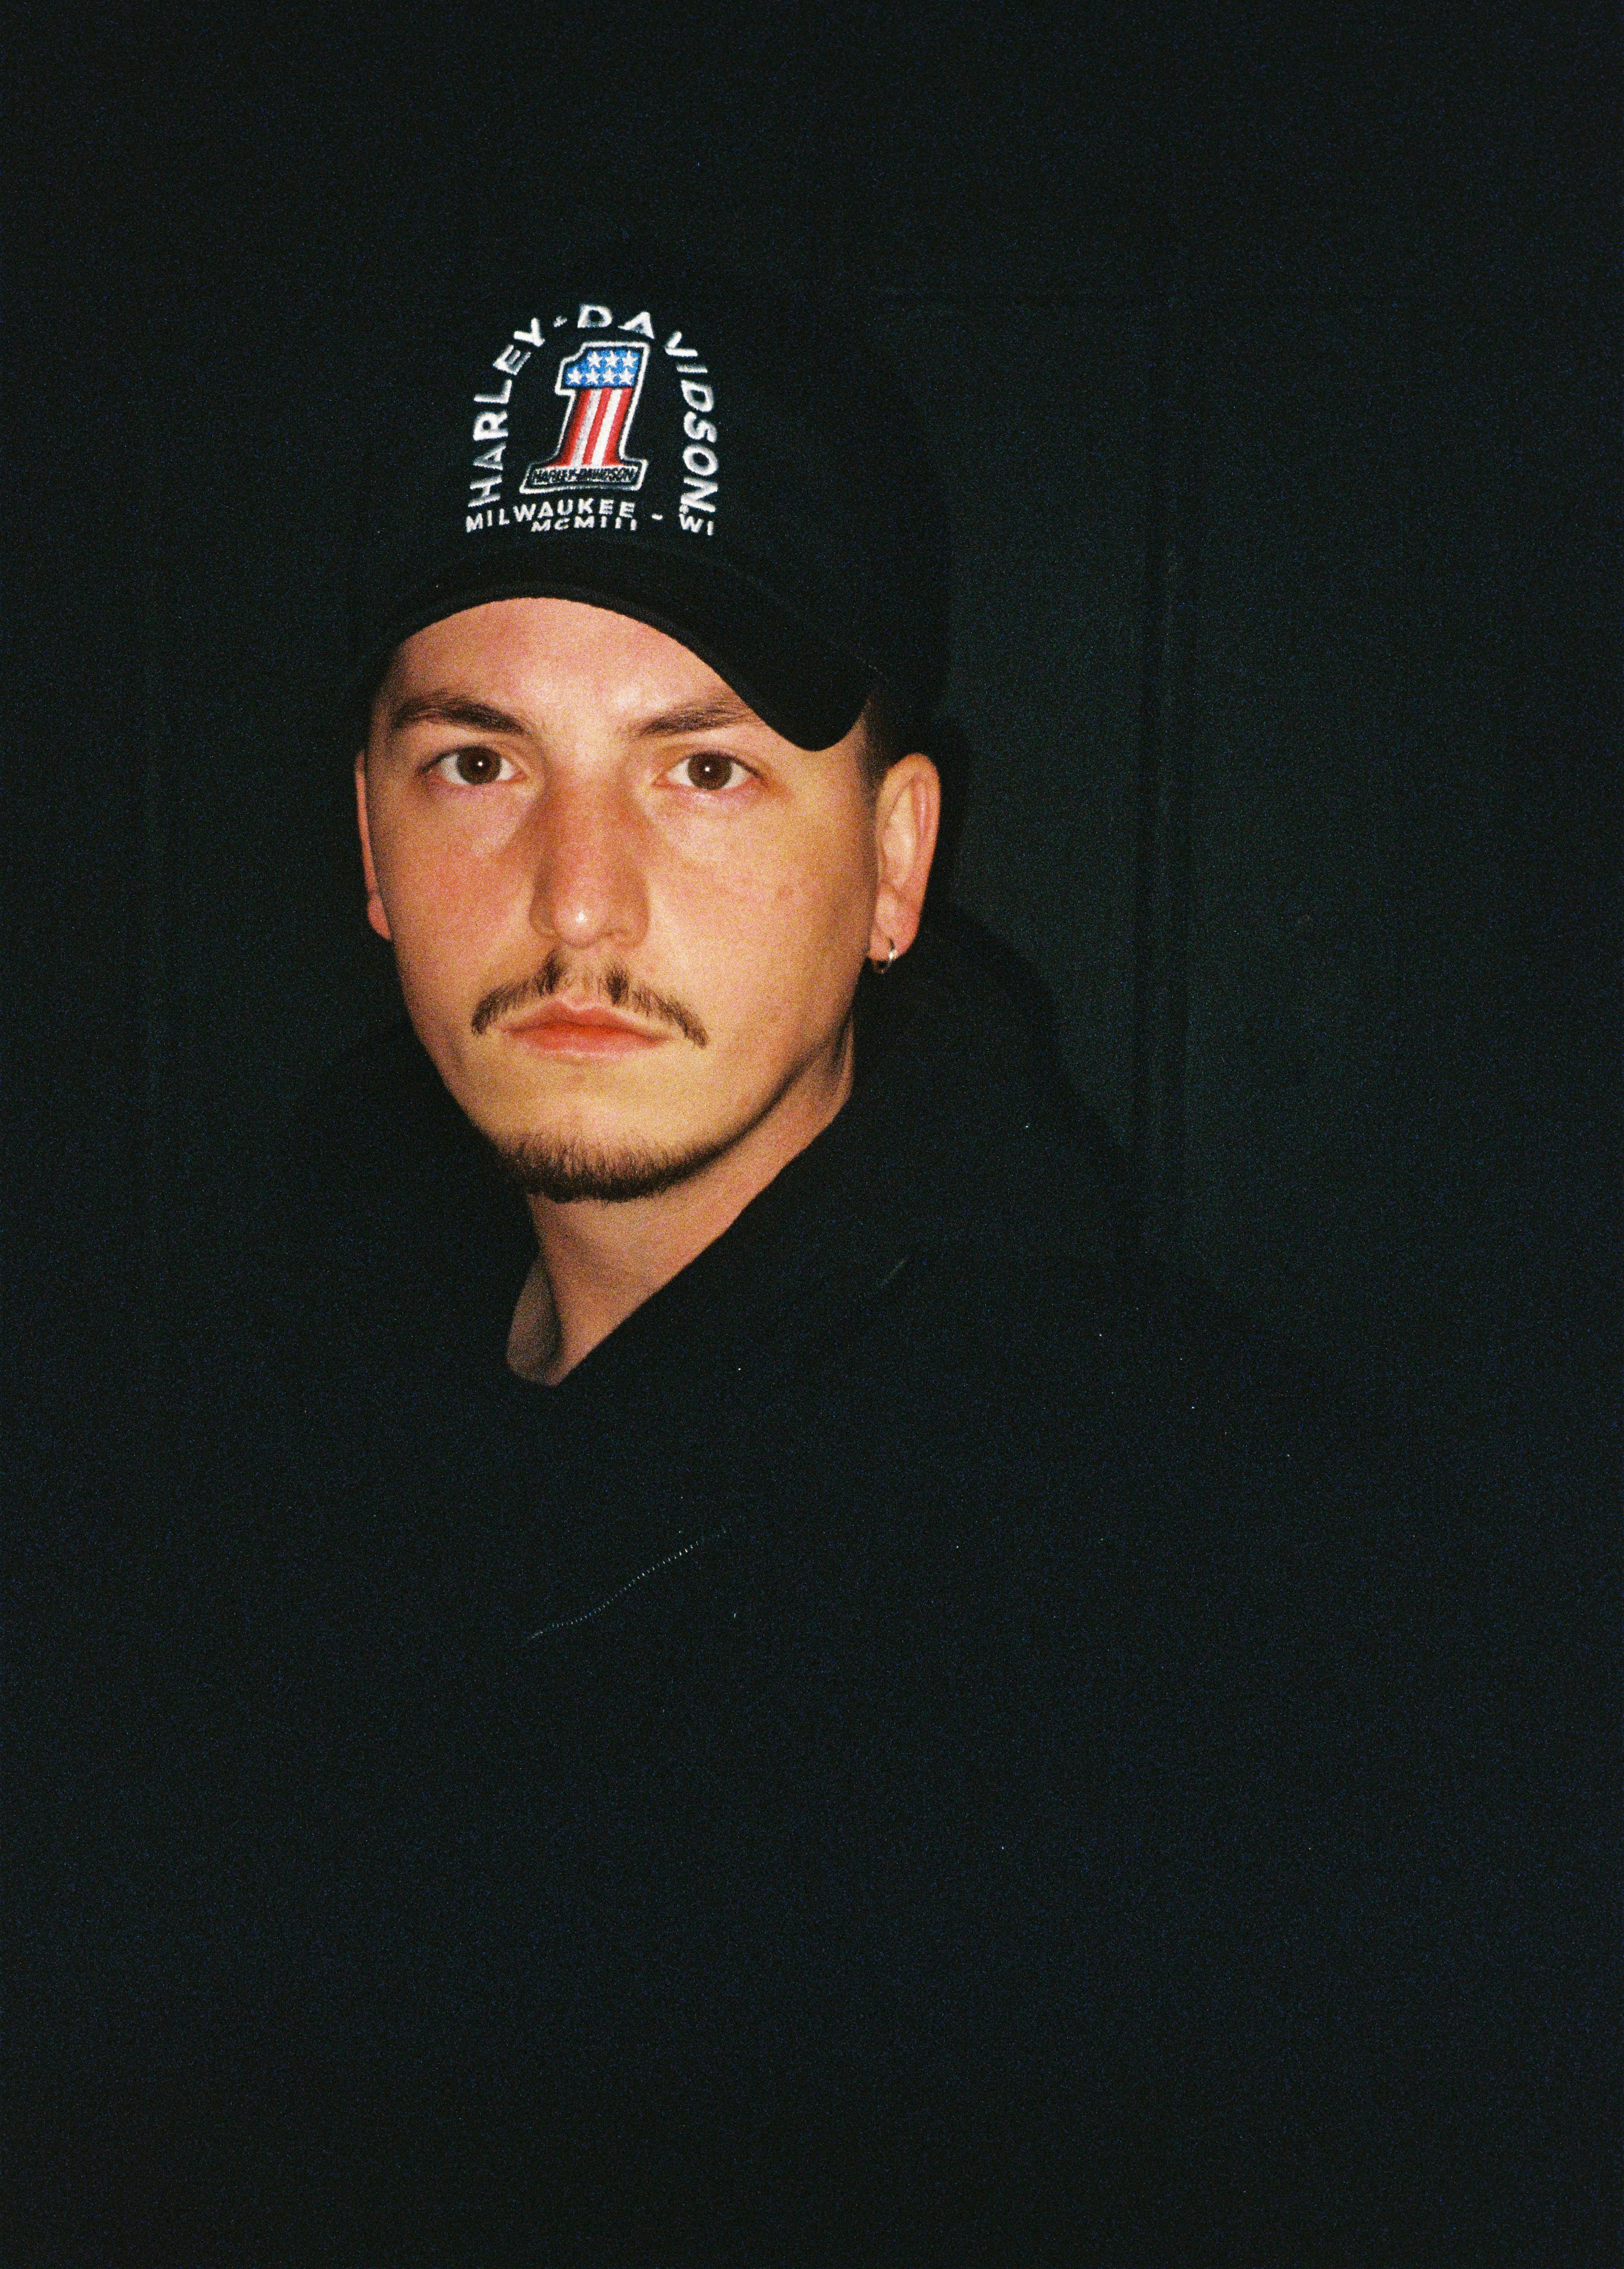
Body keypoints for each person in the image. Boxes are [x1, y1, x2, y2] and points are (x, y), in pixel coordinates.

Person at [31, 269, 1440, 2265]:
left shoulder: (1231, 1623)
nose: (576, 896)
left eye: (702, 766)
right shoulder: (184, 1465)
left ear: (894, 857)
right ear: (365, 831)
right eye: (477, 760)